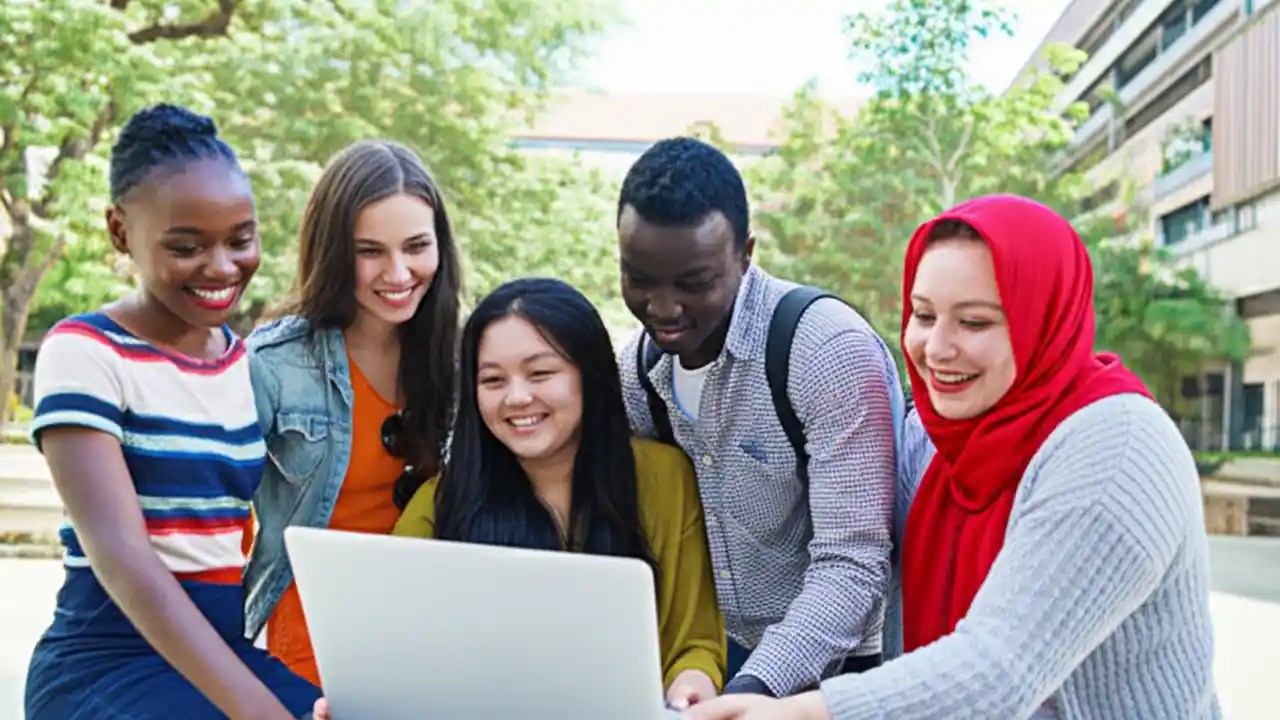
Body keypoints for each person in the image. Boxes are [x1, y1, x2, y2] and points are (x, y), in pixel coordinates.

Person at [686, 194, 1221, 719]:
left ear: (1044, 320)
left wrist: (806, 712)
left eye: (975, 323)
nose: (937, 349)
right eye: (923, 315)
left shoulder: (1117, 445)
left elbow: (1000, 670)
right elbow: (848, 561)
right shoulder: (929, 436)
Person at [23, 104, 319, 719]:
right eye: (186, 246)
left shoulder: (246, 363)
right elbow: (123, 559)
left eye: (241, 239)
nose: (221, 267)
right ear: (120, 230)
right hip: (105, 661)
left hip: (222, 649)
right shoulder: (85, 351)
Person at [614, 137, 900, 697]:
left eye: (694, 283)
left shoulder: (825, 351)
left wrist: (754, 691)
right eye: (639, 280)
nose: (664, 308)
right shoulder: (636, 373)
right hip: (710, 666)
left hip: (840, 670)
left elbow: (854, 562)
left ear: (745, 253)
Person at [392, 277, 727, 709]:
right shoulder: (438, 506)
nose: (517, 397)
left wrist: (690, 687)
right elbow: (399, 652)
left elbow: (694, 642)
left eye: (541, 373)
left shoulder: (663, 479)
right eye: (492, 380)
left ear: (589, 375)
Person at [243, 140, 462, 685]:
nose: (398, 272)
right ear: (333, 251)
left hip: (431, 640)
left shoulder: (464, 362)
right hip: (310, 644)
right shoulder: (273, 363)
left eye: (416, 246)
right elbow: (221, 522)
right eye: (370, 251)